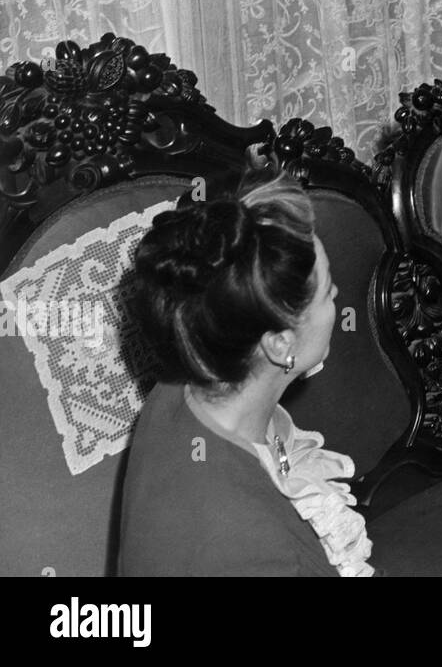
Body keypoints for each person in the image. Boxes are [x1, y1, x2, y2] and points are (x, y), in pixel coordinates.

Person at [118, 165, 374, 577]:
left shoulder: (184, 385)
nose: (338, 298)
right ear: (279, 344)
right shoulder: (260, 549)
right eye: (328, 292)